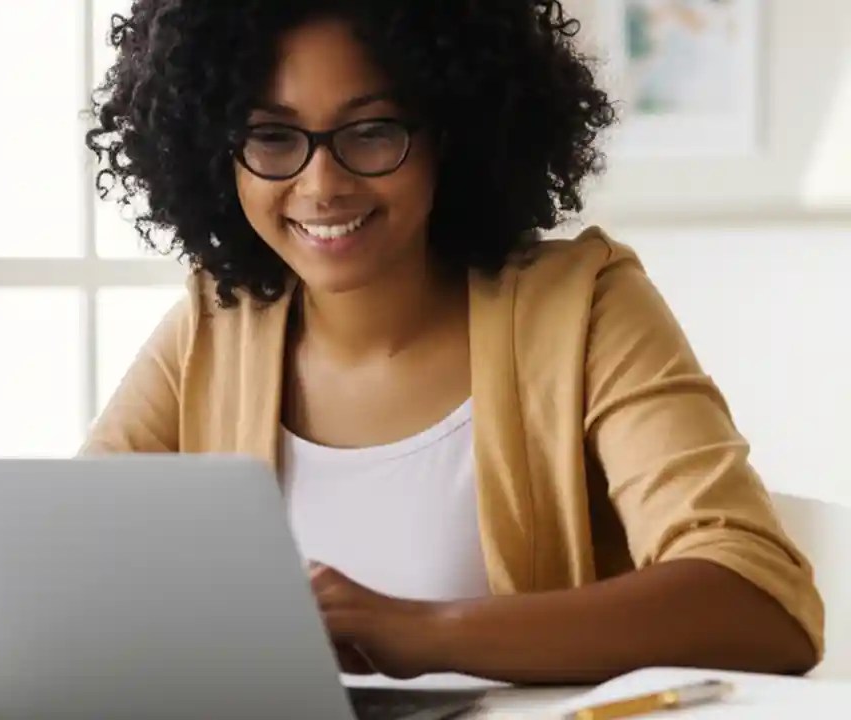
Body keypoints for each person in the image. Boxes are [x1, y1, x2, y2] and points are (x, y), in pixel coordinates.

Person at [81, 0, 822, 683]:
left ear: (452, 133)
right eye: (272, 138)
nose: (322, 184)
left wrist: (419, 630)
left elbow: (760, 600)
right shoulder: (215, 324)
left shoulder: (582, 308)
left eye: (372, 131)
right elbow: (64, 566)